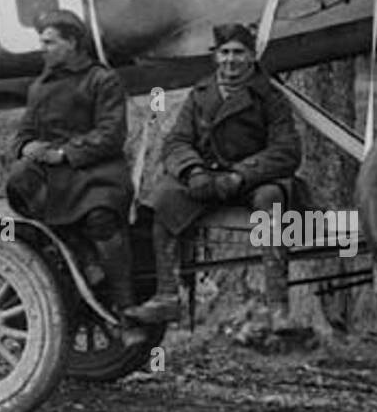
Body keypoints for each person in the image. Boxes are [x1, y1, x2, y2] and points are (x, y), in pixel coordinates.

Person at [127, 22, 302, 328]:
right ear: (215, 56)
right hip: (207, 179)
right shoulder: (200, 94)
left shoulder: (270, 98)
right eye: (225, 53)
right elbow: (177, 141)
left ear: (251, 56)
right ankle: (167, 295)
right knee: (163, 198)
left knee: (271, 200)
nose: (231, 60)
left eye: (238, 52)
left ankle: (277, 306)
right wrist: (193, 171)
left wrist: (239, 176)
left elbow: (286, 150)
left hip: (253, 181)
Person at [4, 9, 135, 314]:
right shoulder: (40, 86)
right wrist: (27, 147)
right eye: (42, 41)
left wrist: (64, 153)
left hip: (97, 169)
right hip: (51, 173)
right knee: (19, 183)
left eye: (50, 42)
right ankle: (83, 256)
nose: (42, 48)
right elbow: (24, 132)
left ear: (73, 42)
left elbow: (111, 134)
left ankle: (124, 303)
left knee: (101, 217)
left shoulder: (102, 79)